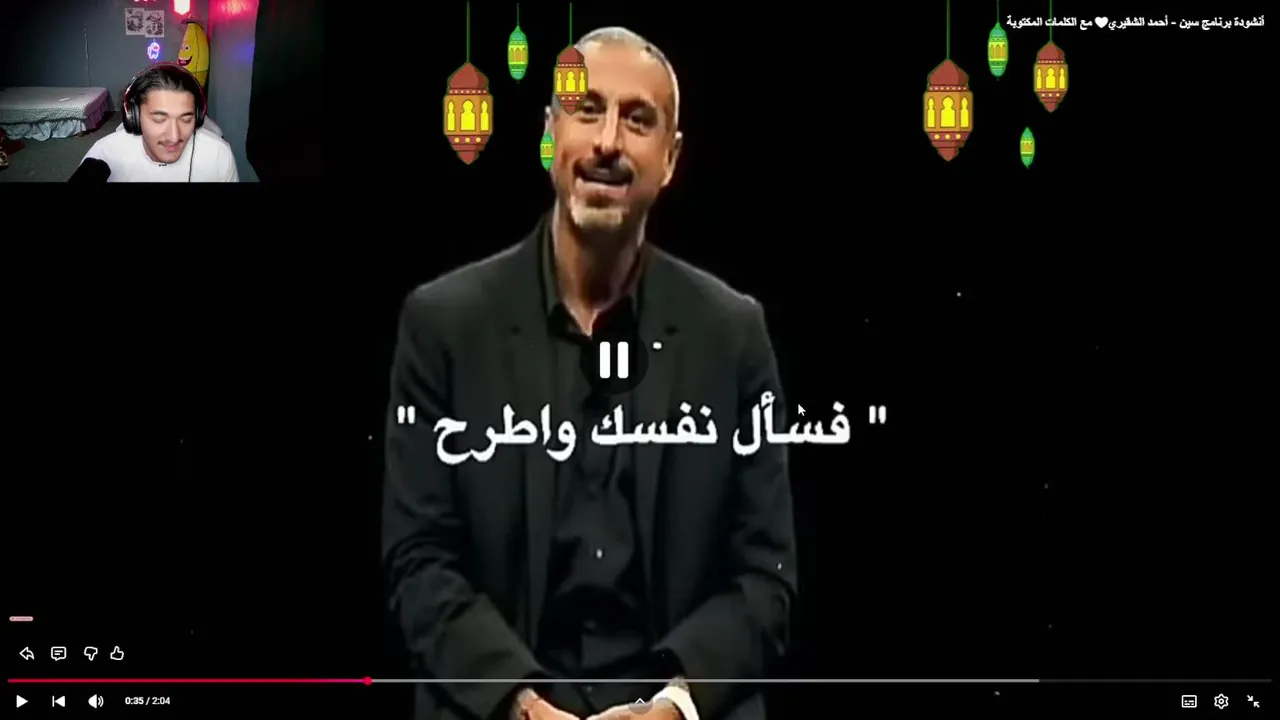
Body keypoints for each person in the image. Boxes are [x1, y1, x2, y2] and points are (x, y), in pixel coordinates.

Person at [383, 27, 796, 720]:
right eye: (586, 110)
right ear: (550, 134)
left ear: (671, 159)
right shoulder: (444, 325)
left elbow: (766, 579)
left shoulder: (732, 335)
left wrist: (673, 706)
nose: (607, 141)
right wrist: (521, 704)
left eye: (637, 120)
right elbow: (418, 562)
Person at [71, 63, 238, 182]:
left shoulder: (218, 155)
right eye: (159, 119)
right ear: (134, 116)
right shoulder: (104, 154)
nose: (174, 137)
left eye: (186, 118)